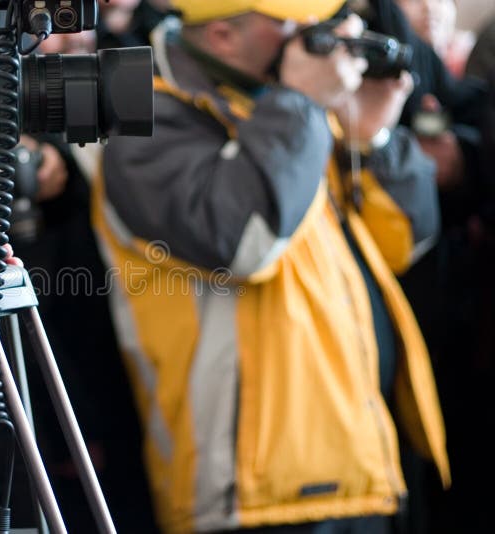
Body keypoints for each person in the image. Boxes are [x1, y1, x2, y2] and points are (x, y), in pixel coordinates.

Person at [92, 1, 449, 532]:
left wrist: (371, 138)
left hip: (362, 468)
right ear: (223, 36)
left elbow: (403, 244)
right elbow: (242, 242)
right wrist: (301, 101)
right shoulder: (145, 123)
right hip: (252, 495)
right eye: (293, 22)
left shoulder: (283, 110)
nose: (314, 34)